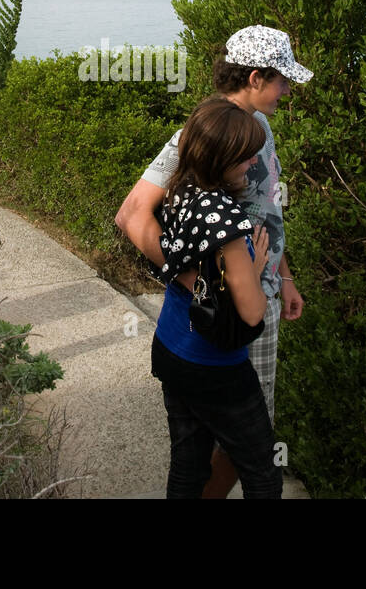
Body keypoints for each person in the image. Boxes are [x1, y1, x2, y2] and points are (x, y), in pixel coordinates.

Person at [116, 24, 311, 497]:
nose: (287, 89)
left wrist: (283, 275)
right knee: (249, 440)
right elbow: (132, 214)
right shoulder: (200, 133)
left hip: (259, 294)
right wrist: (199, 280)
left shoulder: (258, 126)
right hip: (232, 314)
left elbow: (267, 204)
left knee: (214, 440)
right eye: (282, 79)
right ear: (254, 76)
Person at [148, 96, 281, 498]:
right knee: (262, 472)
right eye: (244, 158)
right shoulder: (229, 225)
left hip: (170, 348)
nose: (250, 165)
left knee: (188, 467)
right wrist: (255, 271)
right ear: (222, 158)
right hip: (216, 368)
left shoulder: (179, 190)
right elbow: (253, 312)